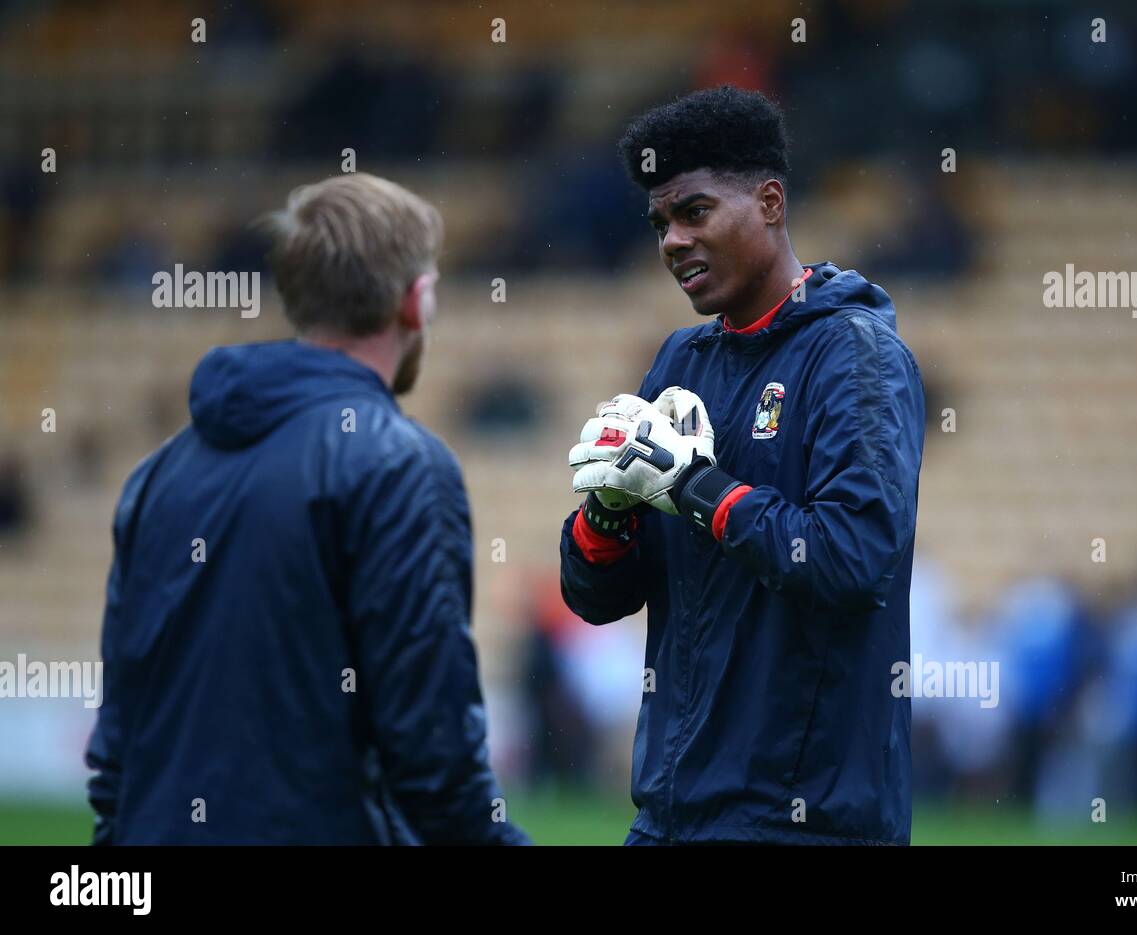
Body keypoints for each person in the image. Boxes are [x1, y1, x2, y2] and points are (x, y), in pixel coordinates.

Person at [86, 173, 526, 845]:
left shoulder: (158, 471)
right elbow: (431, 750)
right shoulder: (397, 464)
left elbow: (116, 744)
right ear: (416, 301)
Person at [560, 86, 926, 845]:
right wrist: (608, 512)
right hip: (668, 812)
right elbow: (596, 596)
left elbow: (853, 557)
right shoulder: (679, 360)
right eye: (660, 222)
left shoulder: (853, 354)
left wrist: (697, 487)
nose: (671, 241)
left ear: (768, 201)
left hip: (801, 820)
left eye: (694, 212)